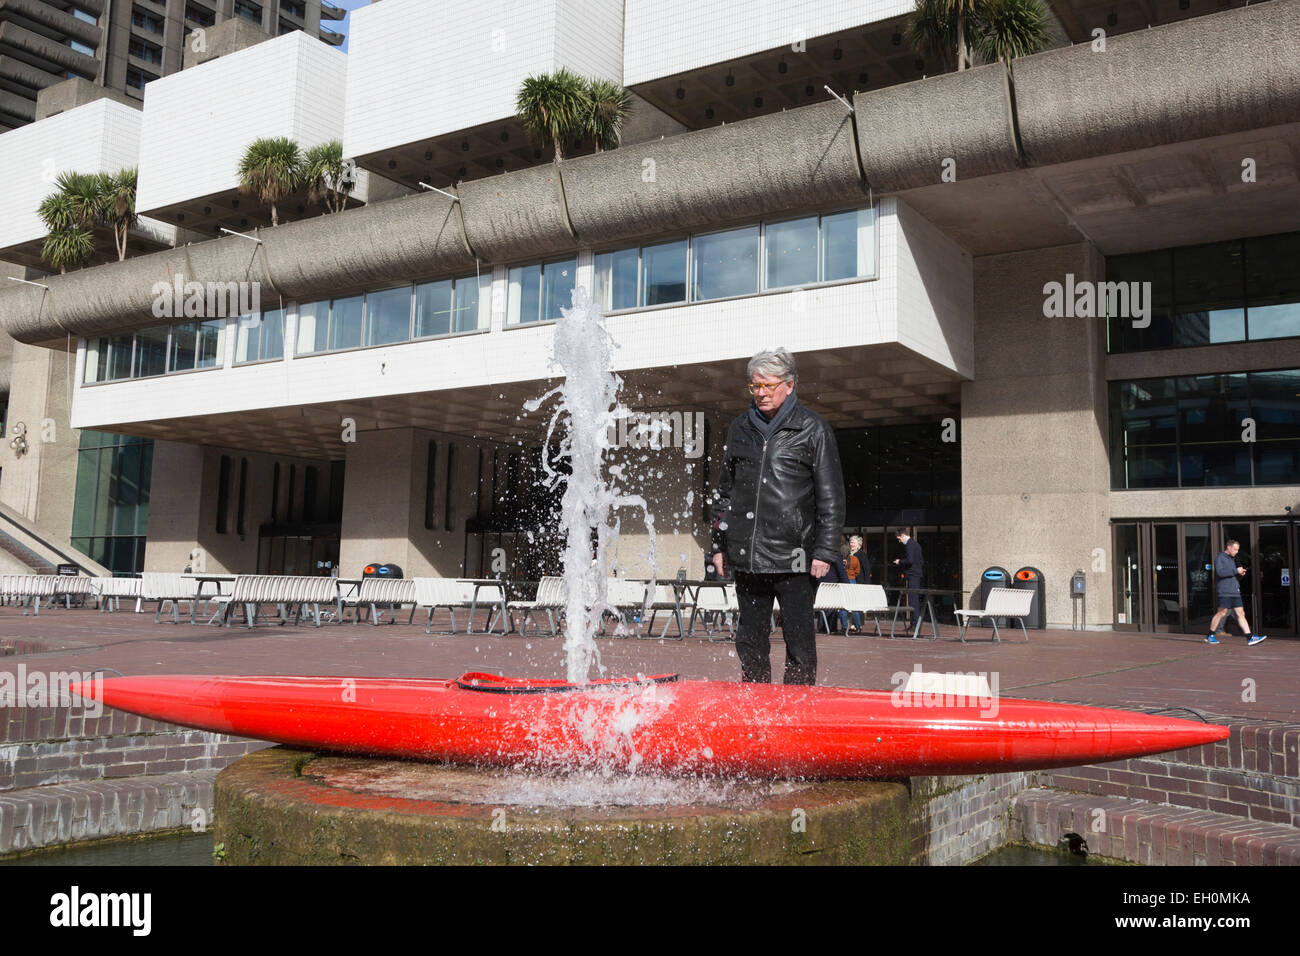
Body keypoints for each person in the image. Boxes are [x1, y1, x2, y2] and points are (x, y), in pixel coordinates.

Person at [711, 348, 846, 684]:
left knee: (799, 641)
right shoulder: (739, 428)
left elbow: (831, 496)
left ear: (789, 385)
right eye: (755, 386)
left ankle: (796, 713)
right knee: (750, 642)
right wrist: (718, 544)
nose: (761, 393)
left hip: (796, 554)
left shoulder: (812, 428)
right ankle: (757, 709)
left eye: (768, 386)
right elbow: (724, 493)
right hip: (747, 553)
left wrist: (825, 551)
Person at [1207, 540, 1266, 646]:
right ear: (1228, 547)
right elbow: (1220, 572)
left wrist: (1240, 574)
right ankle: (1210, 635)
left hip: (1234, 590)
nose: (1236, 552)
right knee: (1222, 612)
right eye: (1235, 549)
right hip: (1225, 591)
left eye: (1237, 549)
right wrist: (1236, 571)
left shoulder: (1233, 559)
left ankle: (1250, 637)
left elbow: (1232, 574)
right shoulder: (1221, 558)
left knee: (1241, 613)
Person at [893, 529, 923, 626]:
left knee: (913, 599)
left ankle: (915, 623)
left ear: (902, 535)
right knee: (914, 598)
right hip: (916, 574)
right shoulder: (915, 544)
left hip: (913, 575)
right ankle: (915, 623)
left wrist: (900, 561)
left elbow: (910, 560)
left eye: (899, 539)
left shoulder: (910, 544)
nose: (899, 541)